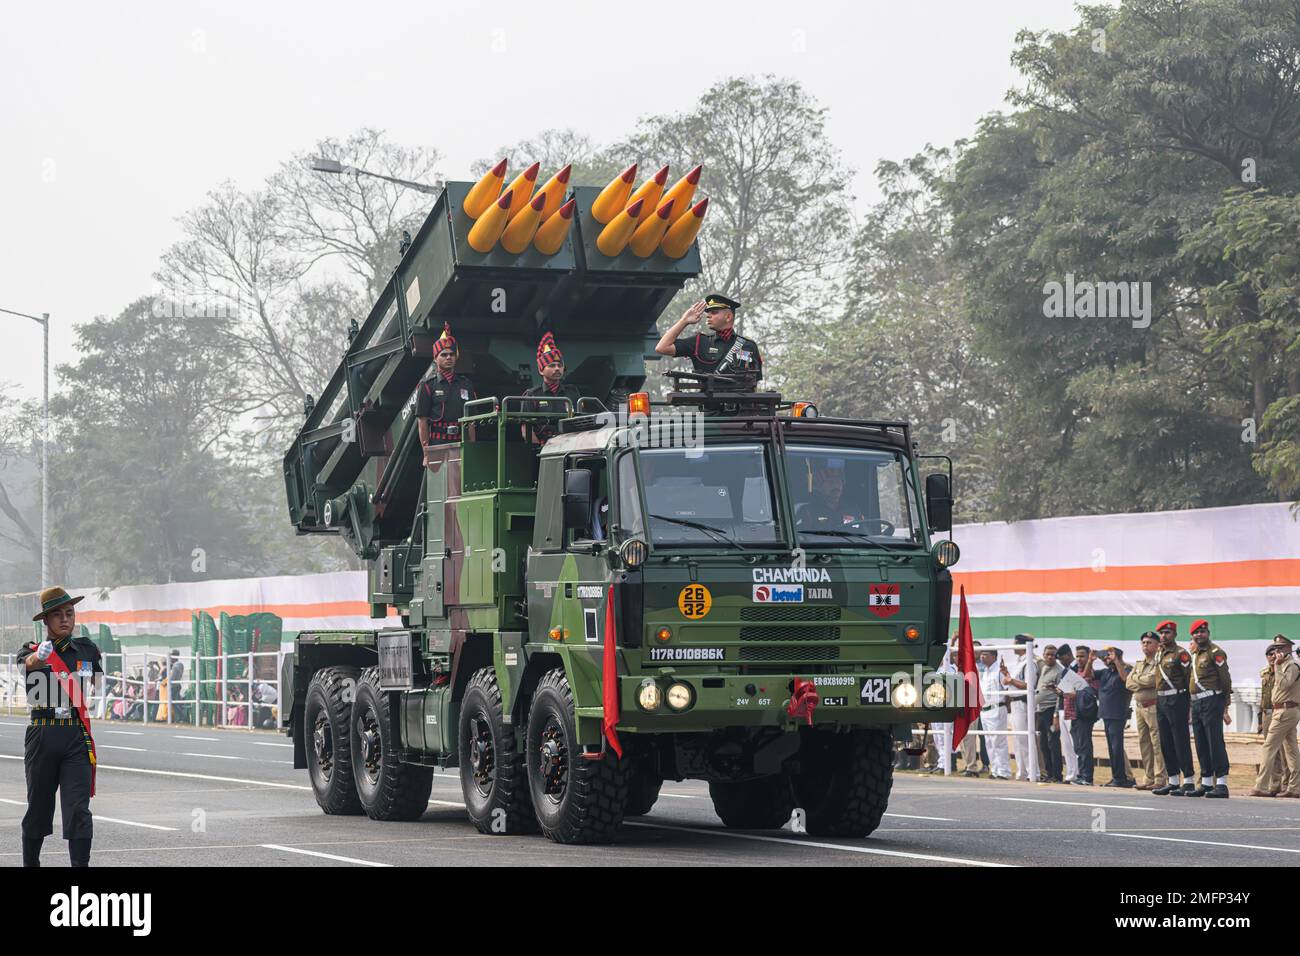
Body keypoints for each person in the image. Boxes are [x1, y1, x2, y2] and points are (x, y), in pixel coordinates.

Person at [17, 586, 101, 867]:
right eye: (57, 615)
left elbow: (92, 684)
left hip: (75, 735)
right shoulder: (30, 652)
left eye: (69, 613)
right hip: (42, 733)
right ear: (46, 621)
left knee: (78, 809)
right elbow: (26, 665)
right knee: (39, 808)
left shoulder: (87, 649)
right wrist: (40, 657)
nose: (65, 619)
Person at [654, 293, 763, 387]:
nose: (708, 316)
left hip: (741, 410)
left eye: (714, 312)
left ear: (728, 317)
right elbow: (661, 347)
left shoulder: (748, 346)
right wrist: (684, 321)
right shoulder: (699, 342)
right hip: (710, 409)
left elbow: (754, 384)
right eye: (708, 313)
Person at [417, 322, 476, 465]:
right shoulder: (428, 386)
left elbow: (472, 421)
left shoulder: (466, 384)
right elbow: (422, 422)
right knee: (440, 485)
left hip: (460, 443)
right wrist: (426, 452)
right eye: (443, 355)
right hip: (437, 444)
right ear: (435, 358)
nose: (448, 357)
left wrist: (472, 447)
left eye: (451, 354)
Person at [1185, 619, 1232, 798]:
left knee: (1214, 741)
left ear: (1208, 633)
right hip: (1197, 703)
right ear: (1192, 636)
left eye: (1202, 632)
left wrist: (1225, 704)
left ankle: (1221, 783)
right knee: (1201, 742)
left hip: (1212, 700)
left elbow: (1225, 680)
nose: (1199, 635)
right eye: (1196, 633)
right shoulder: (1195, 654)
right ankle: (1205, 782)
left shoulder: (1215, 652)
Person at [1250, 635, 1300, 798]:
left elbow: (1285, 684)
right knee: (1291, 750)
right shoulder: (1284, 664)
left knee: (1269, 747)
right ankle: (1295, 787)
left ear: (1288, 649)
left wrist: (1277, 666)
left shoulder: (1290, 665)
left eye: (1280, 648)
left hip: (1285, 711)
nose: (1276, 652)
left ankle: (1261, 785)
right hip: (1283, 710)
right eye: (1275, 649)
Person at [1151, 619, 1196, 795]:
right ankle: (1173, 780)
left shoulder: (1181, 654)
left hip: (1177, 699)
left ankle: (1189, 780)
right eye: (1161, 633)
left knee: (1180, 740)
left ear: (1175, 635)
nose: (1163, 636)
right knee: (1166, 742)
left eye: (1167, 633)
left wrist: (1188, 703)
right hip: (1161, 701)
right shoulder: (1159, 653)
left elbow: (1188, 679)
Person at [521, 331, 582, 444]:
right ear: (541, 370)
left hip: (571, 447)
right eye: (552, 366)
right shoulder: (532, 395)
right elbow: (526, 430)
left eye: (560, 365)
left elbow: (582, 423)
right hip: (544, 449)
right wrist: (540, 450)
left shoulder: (572, 392)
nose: (557, 369)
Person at [1125, 632, 1168, 790]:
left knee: (1157, 743)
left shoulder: (1159, 662)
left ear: (1157, 645)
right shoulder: (1139, 663)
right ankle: (1148, 777)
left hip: (1153, 706)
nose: (1145, 645)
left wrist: (1137, 680)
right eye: (1143, 642)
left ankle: (1160, 777)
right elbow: (1128, 683)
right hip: (1140, 706)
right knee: (1144, 743)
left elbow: (1153, 681)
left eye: (1149, 642)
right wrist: (1140, 681)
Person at [1091, 647, 1134, 787]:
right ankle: (1117, 777)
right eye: (1103, 658)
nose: (1105, 660)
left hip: (1118, 713)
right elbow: (1088, 675)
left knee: (1116, 747)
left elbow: (1126, 680)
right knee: (1112, 747)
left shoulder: (1126, 668)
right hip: (1106, 714)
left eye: (1108, 657)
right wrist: (1090, 661)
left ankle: (1121, 778)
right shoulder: (1106, 672)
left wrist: (1116, 661)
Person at [1002, 635, 1035, 781]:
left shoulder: (1029, 663)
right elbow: (1014, 683)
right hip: (1015, 703)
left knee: (1024, 739)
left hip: (1023, 702)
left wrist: (1011, 680)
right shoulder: (1019, 663)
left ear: (1022, 645)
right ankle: (1022, 772)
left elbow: (1029, 685)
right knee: (1017, 740)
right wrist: (1007, 675)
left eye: (1015, 644)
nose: (1013, 646)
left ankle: (1033, 771)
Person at [1256, 645, 1289, 789]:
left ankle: (1288, 782)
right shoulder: (1264, 673)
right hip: (1267, 714)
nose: (1272, 657)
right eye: (1269, 654)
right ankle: (1275, 784)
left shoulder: (1283, 671)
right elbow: (1263, 697)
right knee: (1272, 752)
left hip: (1280, 713)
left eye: (1274, 654)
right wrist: (1259, 720)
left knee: (1284, 750)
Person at [978, 648, 1011, 779]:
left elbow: (1008, 690)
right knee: (989, 743)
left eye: (985, 654)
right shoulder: (984, 671)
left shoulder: (1000, 671)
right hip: (985, 710)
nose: (982, 657)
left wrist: (1005, 707)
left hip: (997, 708)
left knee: (999, 742)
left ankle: (1004, 771)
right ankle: (995, 770)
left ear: (994, 656)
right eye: (981, 654)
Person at [1034, 644, 1064, 782]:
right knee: (1043, 744)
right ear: (1044, 655)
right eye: (1047, 654)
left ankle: (1057, 775)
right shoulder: (1043, 668)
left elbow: (1060, 695)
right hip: (1040, 711)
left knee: (1053, 744)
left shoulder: (1059, 671)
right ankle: (1048, 773)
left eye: (1053, 654)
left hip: (1051, 711)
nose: (1050, 657)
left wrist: (1056, 715)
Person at [1054, 645, 1079, 784]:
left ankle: (1079, 773)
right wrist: (1056, 714)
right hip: (1063, 708)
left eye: (1062, 658)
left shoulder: (1076, 669)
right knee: (1067, 745)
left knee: (1075, 743)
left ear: (1069, 655)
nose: (1061, 662)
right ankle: (1071, 774)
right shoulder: (1064, 671)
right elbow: (1060, 695)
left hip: (1073, 709)